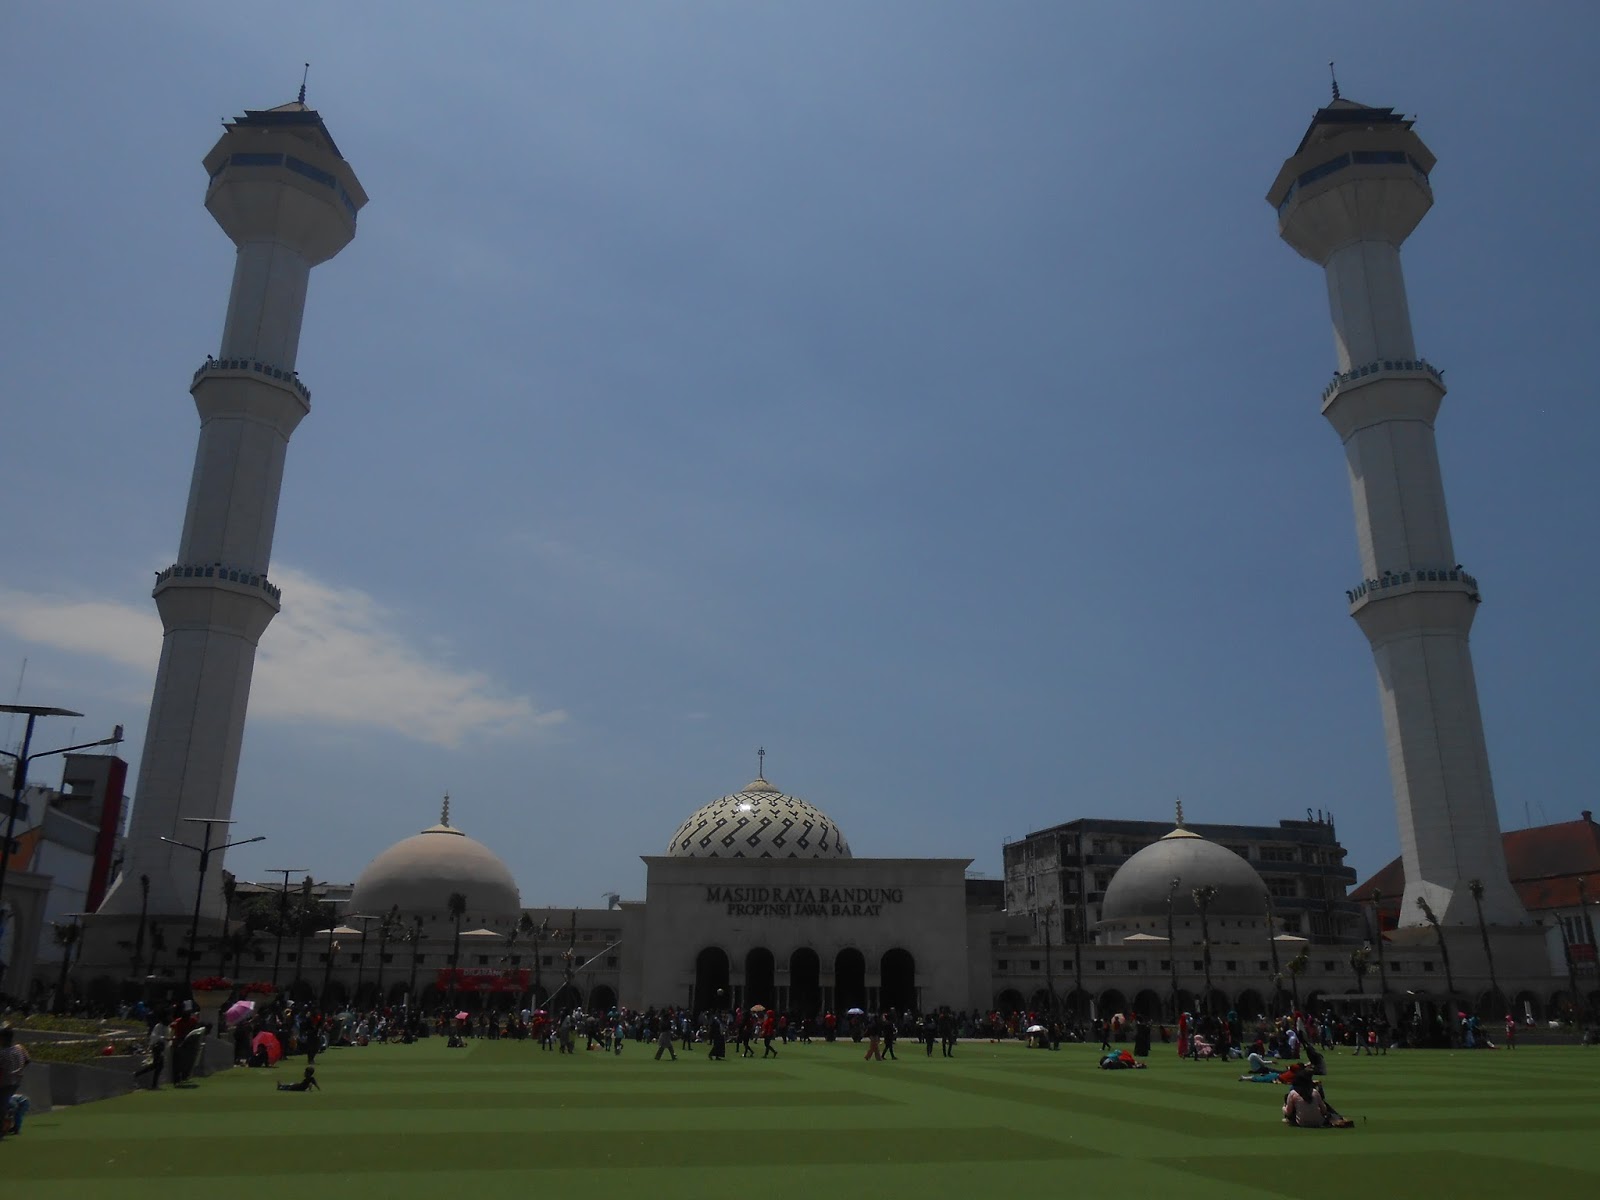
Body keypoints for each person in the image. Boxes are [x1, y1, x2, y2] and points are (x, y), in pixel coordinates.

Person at [0, 1027, 28, 1141]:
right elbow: (27, 1060)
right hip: (15, 1082)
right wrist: (19, 1071)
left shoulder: (3, 1053)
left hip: (4, 1083)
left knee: (2, 1106)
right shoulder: (19, 1049)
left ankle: (2, 1131)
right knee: (5, 1104)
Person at [133, 1011, 171, 1090]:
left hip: (162, 1048)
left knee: (157, 1066)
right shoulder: (158, 1026)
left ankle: (139, 1075)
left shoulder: (167, 1027)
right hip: (157, 1048)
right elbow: (154, 1036)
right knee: (158, 1065)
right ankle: (150, 1082)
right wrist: (163, 1038)